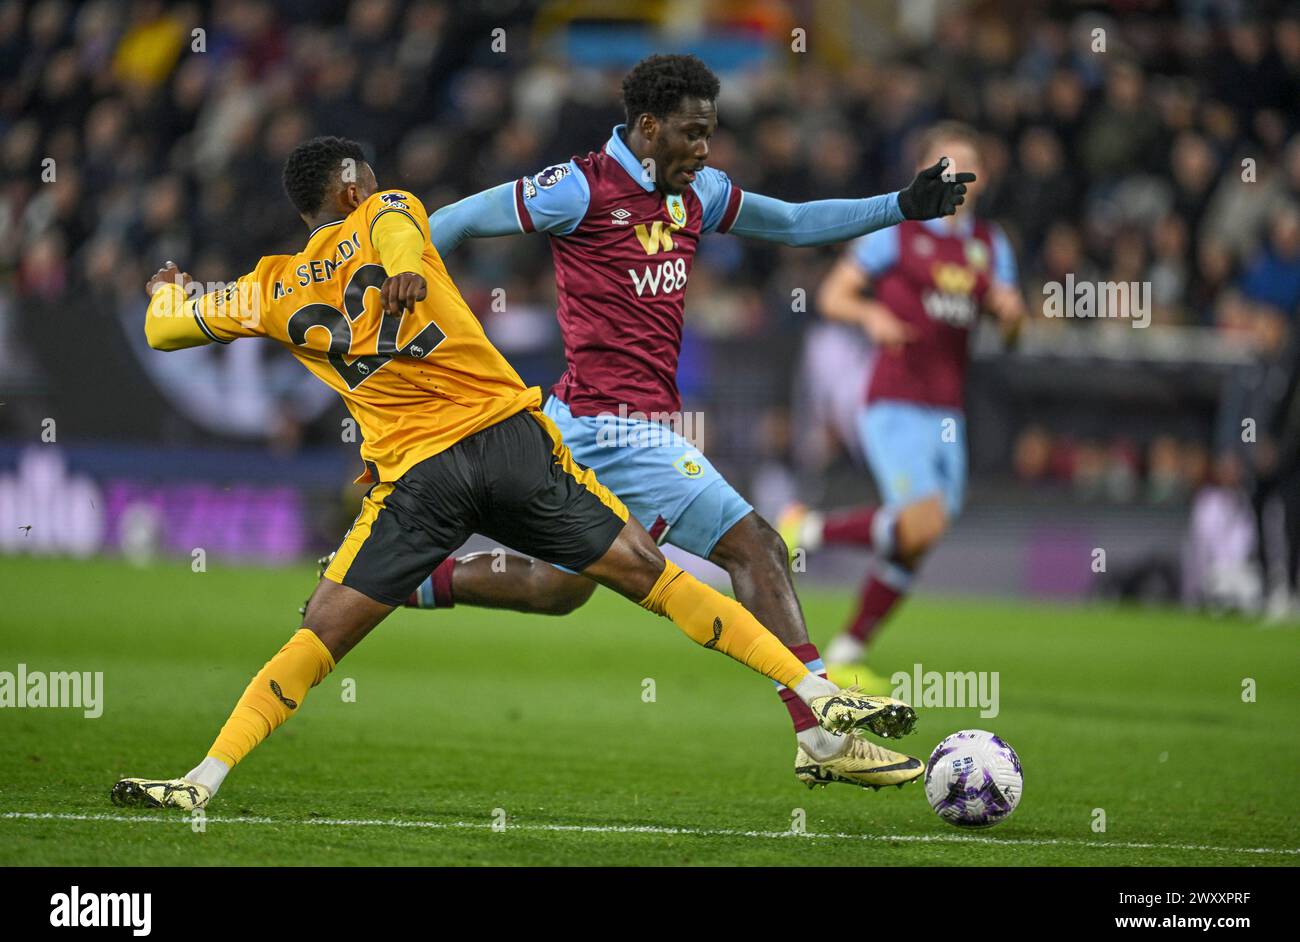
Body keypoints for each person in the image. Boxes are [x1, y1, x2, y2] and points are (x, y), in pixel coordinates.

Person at [110, 136, 917, 811]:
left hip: (415, 481)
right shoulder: (390, 210)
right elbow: (394, 238)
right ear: (355, 183)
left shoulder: (268, 287)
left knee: (319, 634)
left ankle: (200, 781)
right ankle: (817, 698)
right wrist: (405, 270)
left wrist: (164, 290)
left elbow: (165, 328)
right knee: (650, 574)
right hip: (508, 442)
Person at [378, 54, 973, 790]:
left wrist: (901, 206)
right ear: (649, 127)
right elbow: (451, 222)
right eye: (692, 135)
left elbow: (791, 224)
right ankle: (820, 733)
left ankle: (402, 579)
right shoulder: (578, 188)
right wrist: (398, 275)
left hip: (586, 425)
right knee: (755, 545)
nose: (704, 151)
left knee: (559, 590)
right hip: (613, 426)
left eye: (710, 136)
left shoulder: (700, 192)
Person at [785, 121, 1025, 689]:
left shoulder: (992, 246)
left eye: (968, 161)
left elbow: (1010, 329)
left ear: (984, 176)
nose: (957, 169)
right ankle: (807, 529)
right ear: (925, 170)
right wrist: (870, 315)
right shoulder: (897, 231)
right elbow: (831, 296)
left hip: (948, 410)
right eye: (944, 160)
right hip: (894, 398)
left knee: (921, 536)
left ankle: (846, 649)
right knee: (923, 519)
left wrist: (1014, 318)